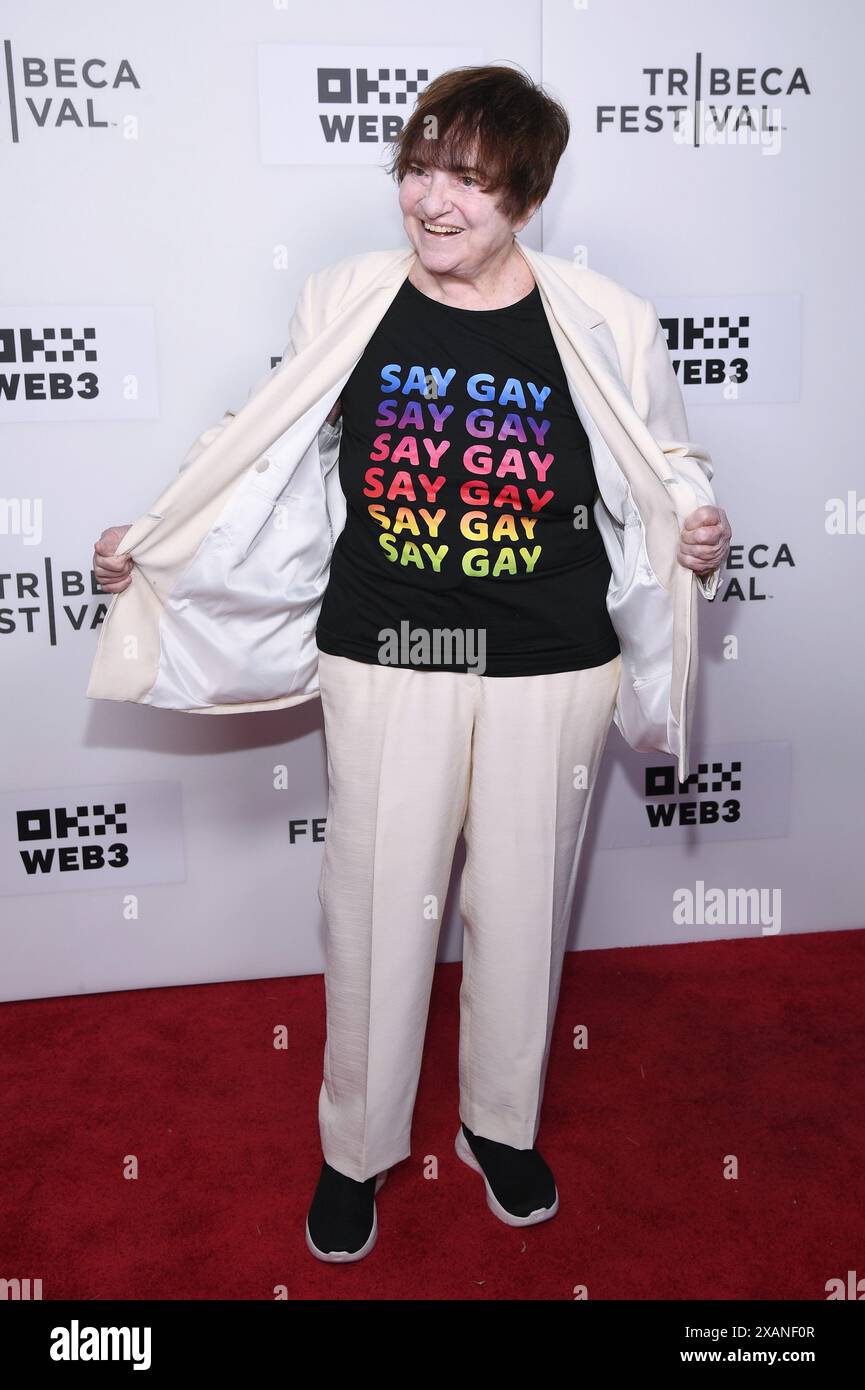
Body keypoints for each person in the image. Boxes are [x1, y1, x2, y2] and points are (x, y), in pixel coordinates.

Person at [92, 63, 731, 1265]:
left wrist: (698, 530)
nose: (434, 203)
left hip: (552, 658)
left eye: (470, 183)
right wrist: (158, 530)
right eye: (419, 170)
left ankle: (500, 1127)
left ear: (527, 197)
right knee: (377, 905)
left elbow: (667, 465)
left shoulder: (607, 316)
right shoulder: (346, 295)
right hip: (389, 647)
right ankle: (356, 1147)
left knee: (523, 909)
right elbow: (260, 439)